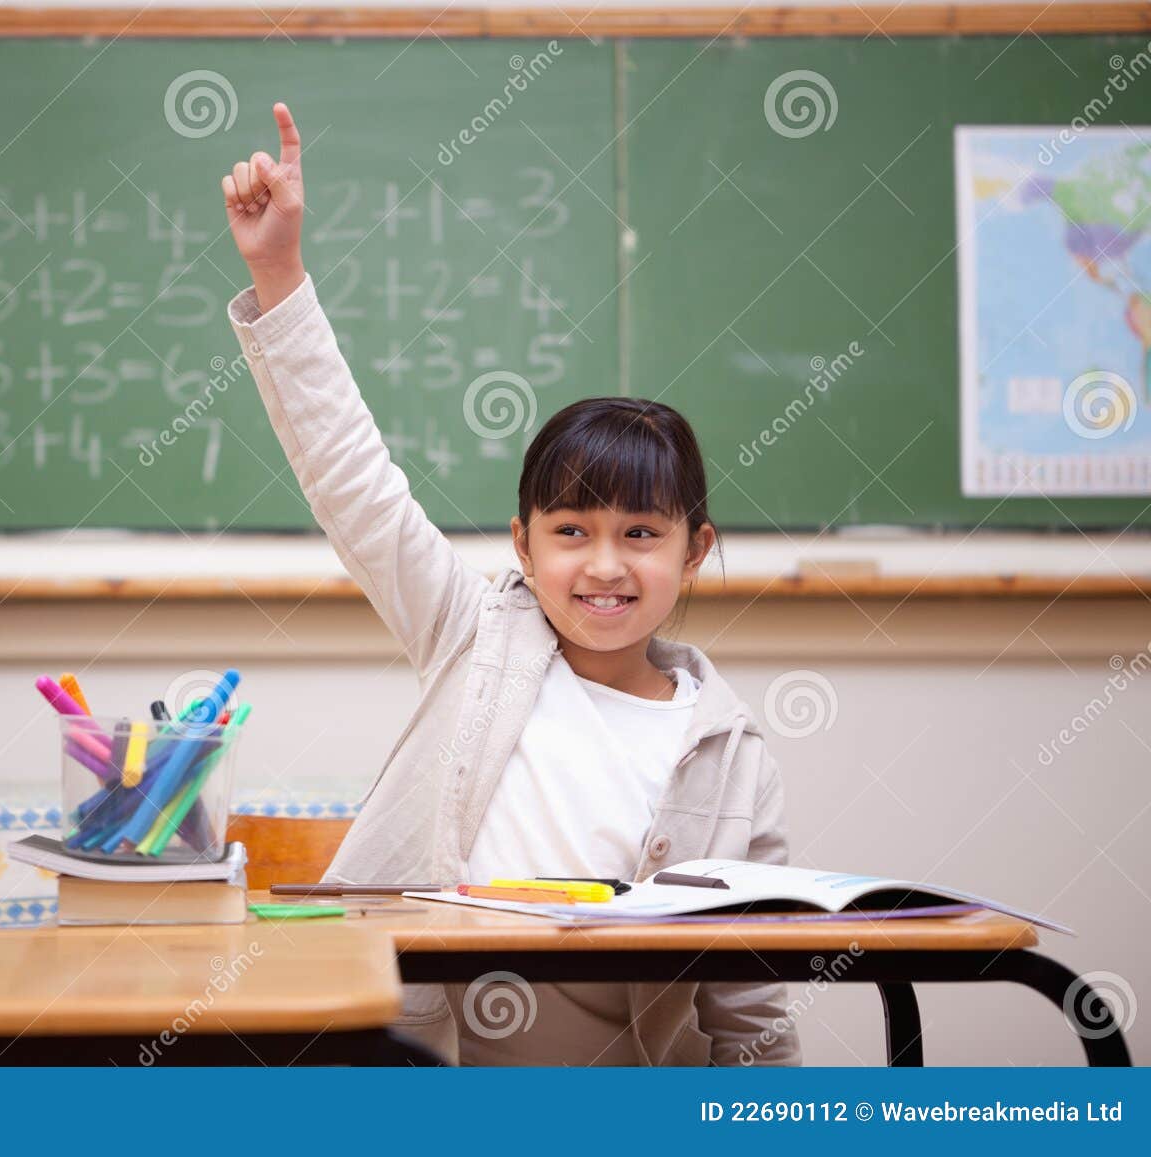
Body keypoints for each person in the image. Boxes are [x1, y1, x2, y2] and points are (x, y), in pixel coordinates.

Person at [219, 102, 800, 1067]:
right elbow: (351, 476)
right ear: (524, 548)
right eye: (571, 531)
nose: (605, 564)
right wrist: (277, 274)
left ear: (694, 551)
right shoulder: (470, 632)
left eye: (641, 534)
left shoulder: (729, 752)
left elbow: (752, 1006)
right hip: (414, 1075)